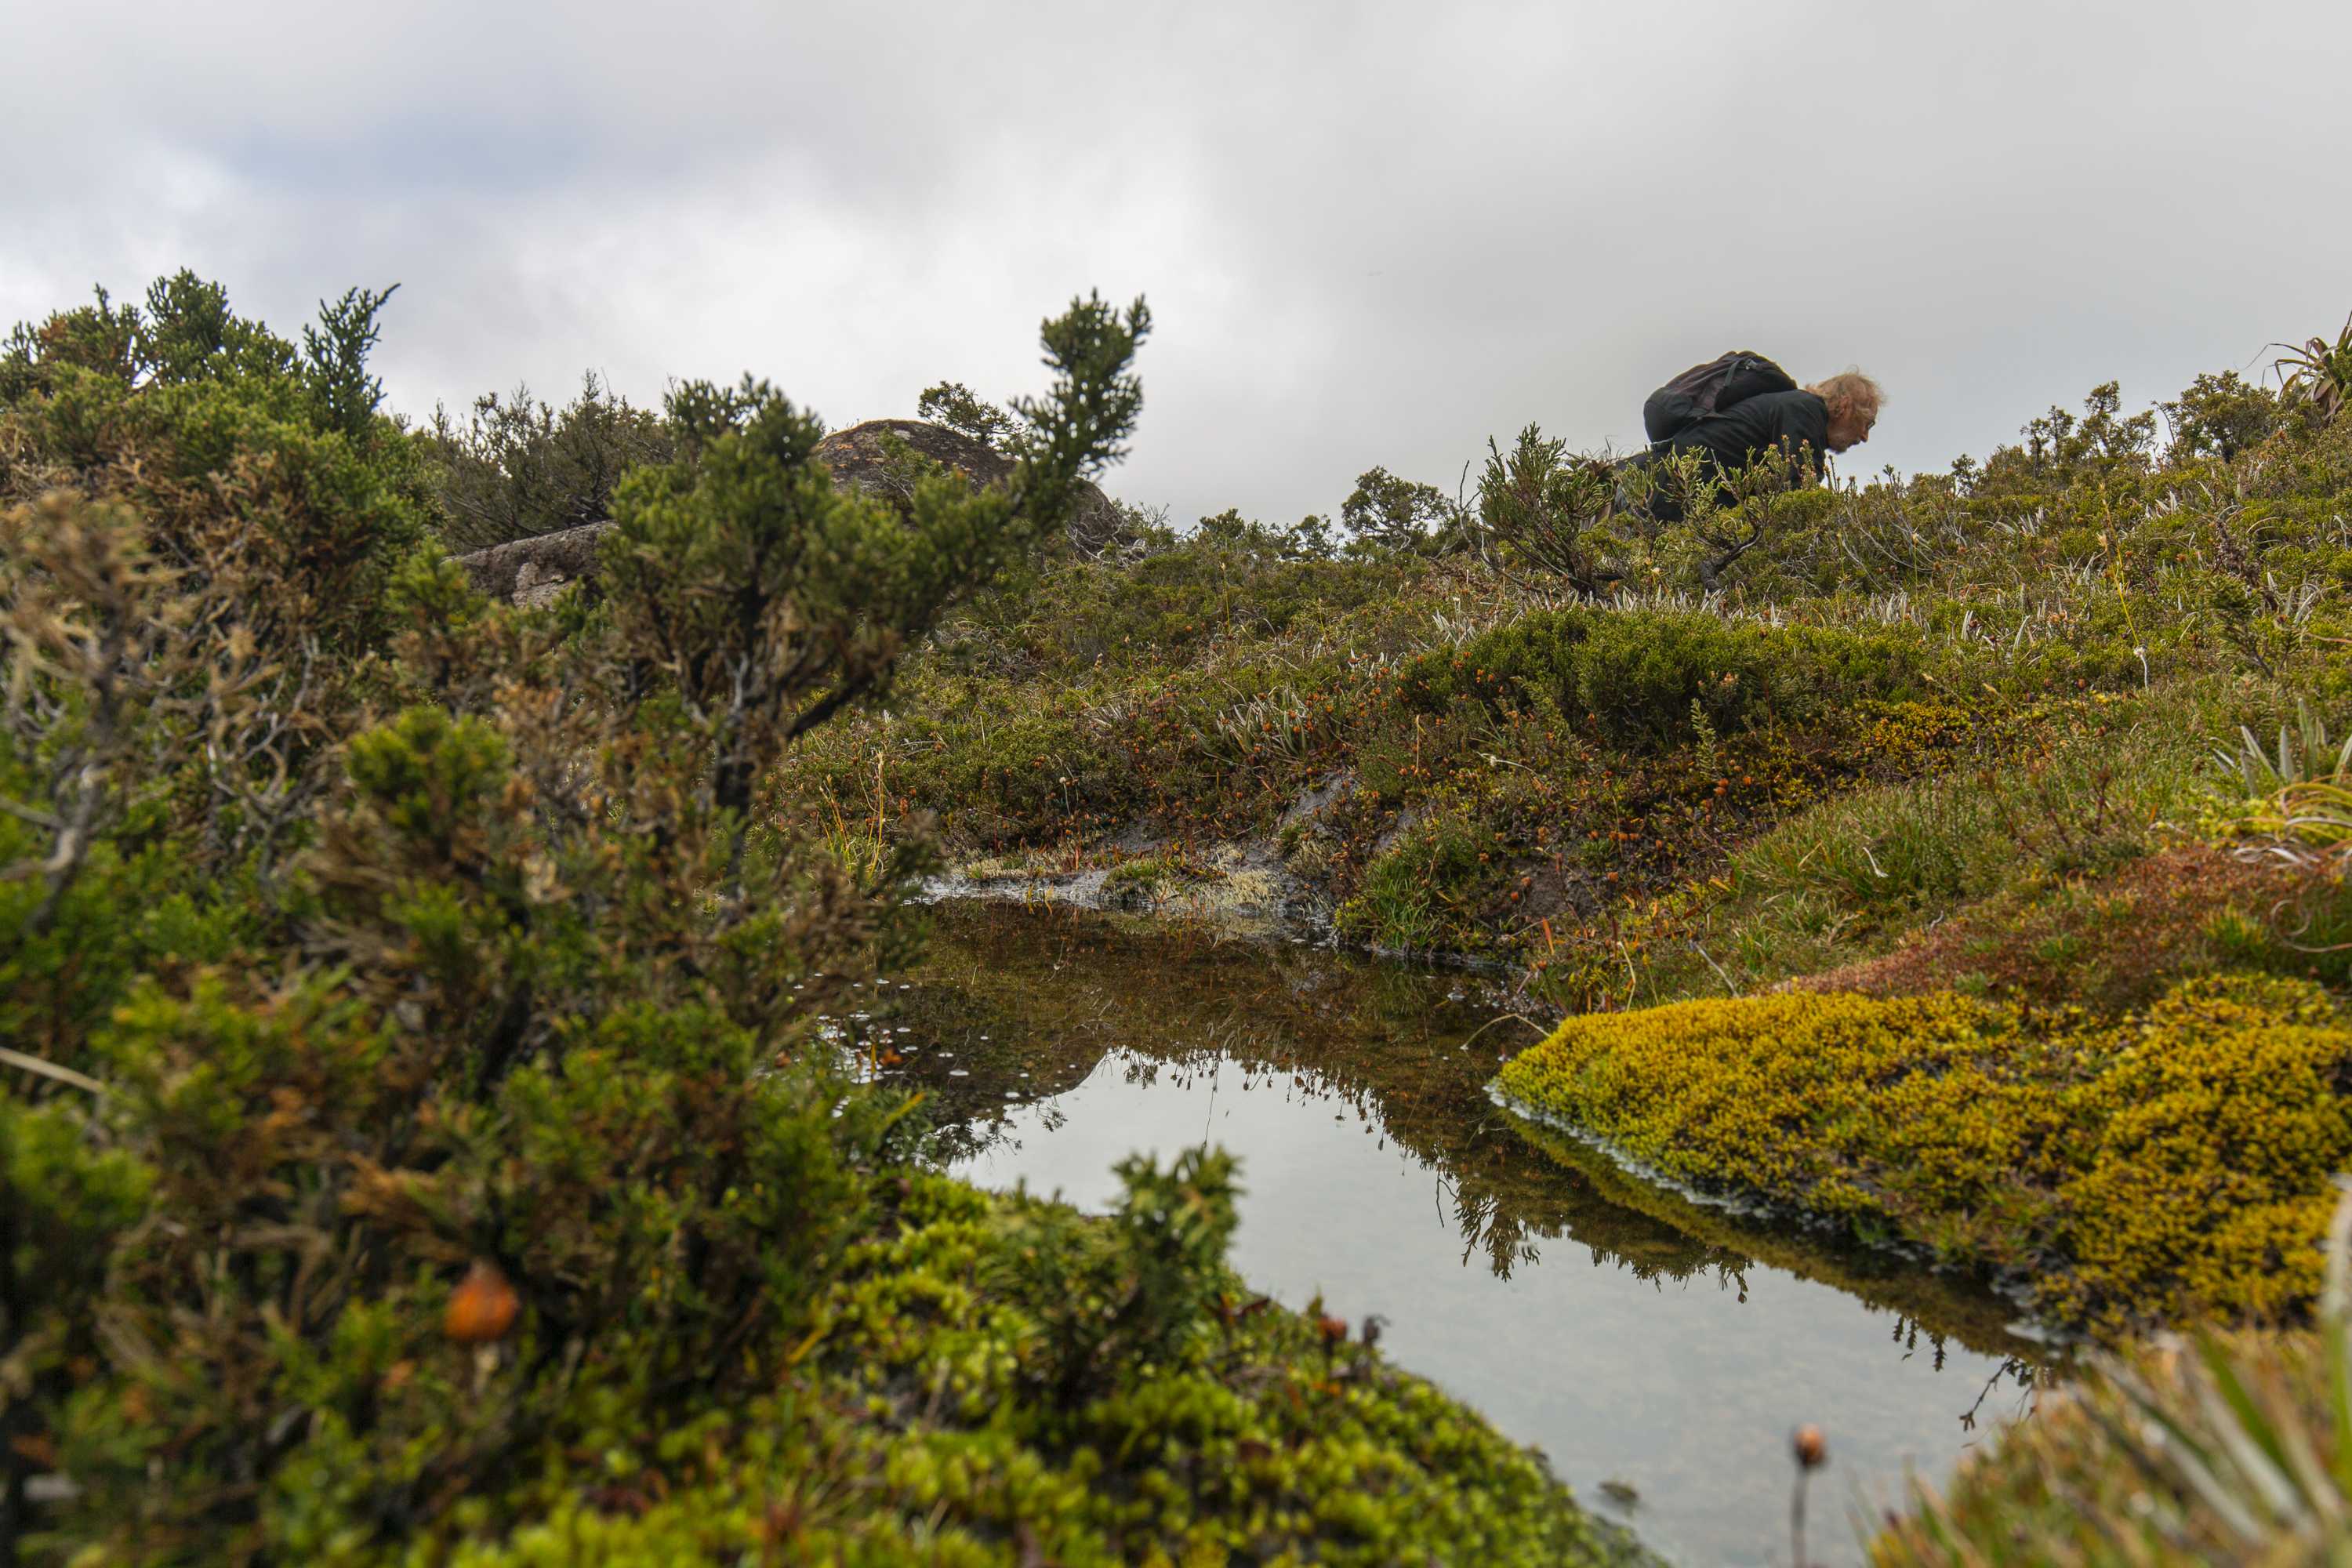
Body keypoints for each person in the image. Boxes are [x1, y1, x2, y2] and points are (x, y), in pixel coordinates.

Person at [1621, 368, 1883, 522]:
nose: (1864, 436)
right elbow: (1801, 498)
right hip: (1668, 496)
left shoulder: (1791, 407)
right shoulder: (1805, 410)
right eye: (1867, 424)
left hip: (1660, 488)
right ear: (1845, 406)